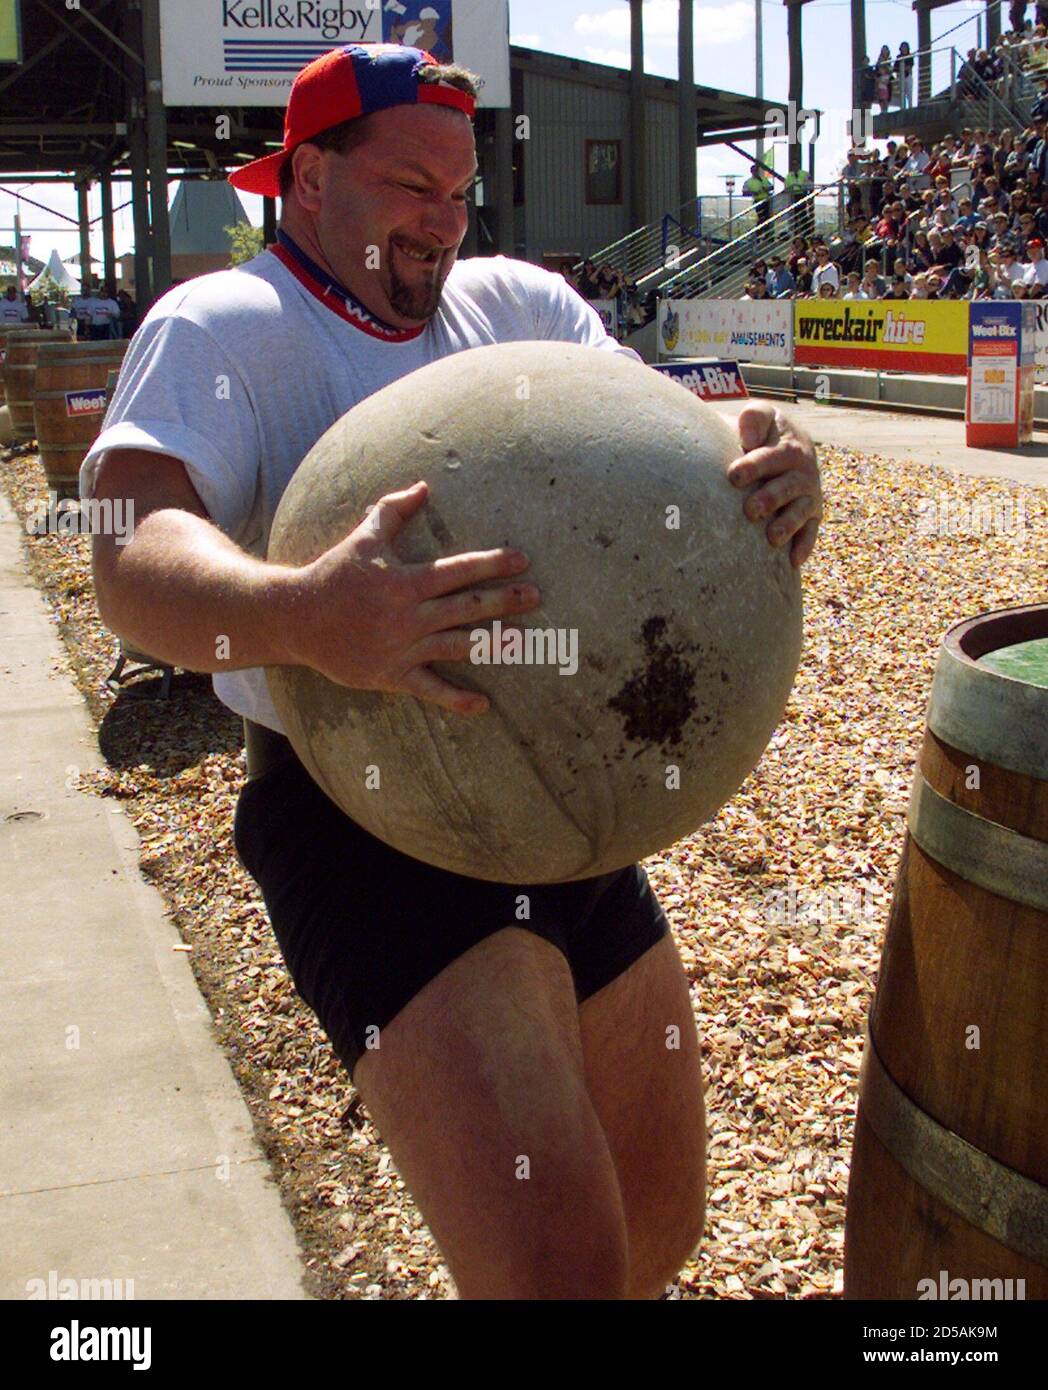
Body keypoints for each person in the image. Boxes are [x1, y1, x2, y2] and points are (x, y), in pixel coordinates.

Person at [79, 43, 823, 1302]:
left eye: (463, 189)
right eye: (412, 184)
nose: (446, 218)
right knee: (551, 1268)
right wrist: (305, 615)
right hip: (364, 814)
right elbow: (125, 553)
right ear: (308, 179)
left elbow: (669, 448)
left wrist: (767, 454)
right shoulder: (222, 325)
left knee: (661, 1214)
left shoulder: (518, 307)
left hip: (570, 797)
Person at [895, 42, 914, 109]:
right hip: (900, 77)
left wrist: (903, 68)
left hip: (908, 76)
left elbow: (909, 67)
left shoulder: (910, 56)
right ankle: (902, 108)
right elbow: (895, 68)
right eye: (903, 47)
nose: (904, 48)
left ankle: (910, 107)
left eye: (905, 47)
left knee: (909, 92)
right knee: (902, 93)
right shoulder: (898, 57)